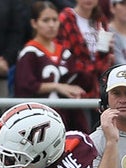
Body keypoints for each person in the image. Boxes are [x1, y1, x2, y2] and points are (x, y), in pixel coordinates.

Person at [15, 1, 94, 133]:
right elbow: (25, 85)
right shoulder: (29, 53)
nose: (51, 25)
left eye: (54, 20)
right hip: (39, 121)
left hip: (66, 118)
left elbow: (76, 81)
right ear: (34, 23)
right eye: (46, 20)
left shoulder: (65, 52)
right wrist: (57, 86)